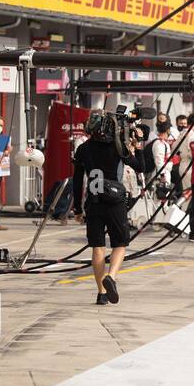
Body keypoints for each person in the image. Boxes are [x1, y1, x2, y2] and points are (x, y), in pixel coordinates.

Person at [72, 112, 139, 306]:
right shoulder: (117, 146)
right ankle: (111, 276)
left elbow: (77, 181)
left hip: (93, 201)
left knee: (97, 247)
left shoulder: (83, 149)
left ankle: (101, 293)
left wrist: (77, 208)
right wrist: (138, 146)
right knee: (120, 244)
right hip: (115, 201)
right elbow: (140, 166)